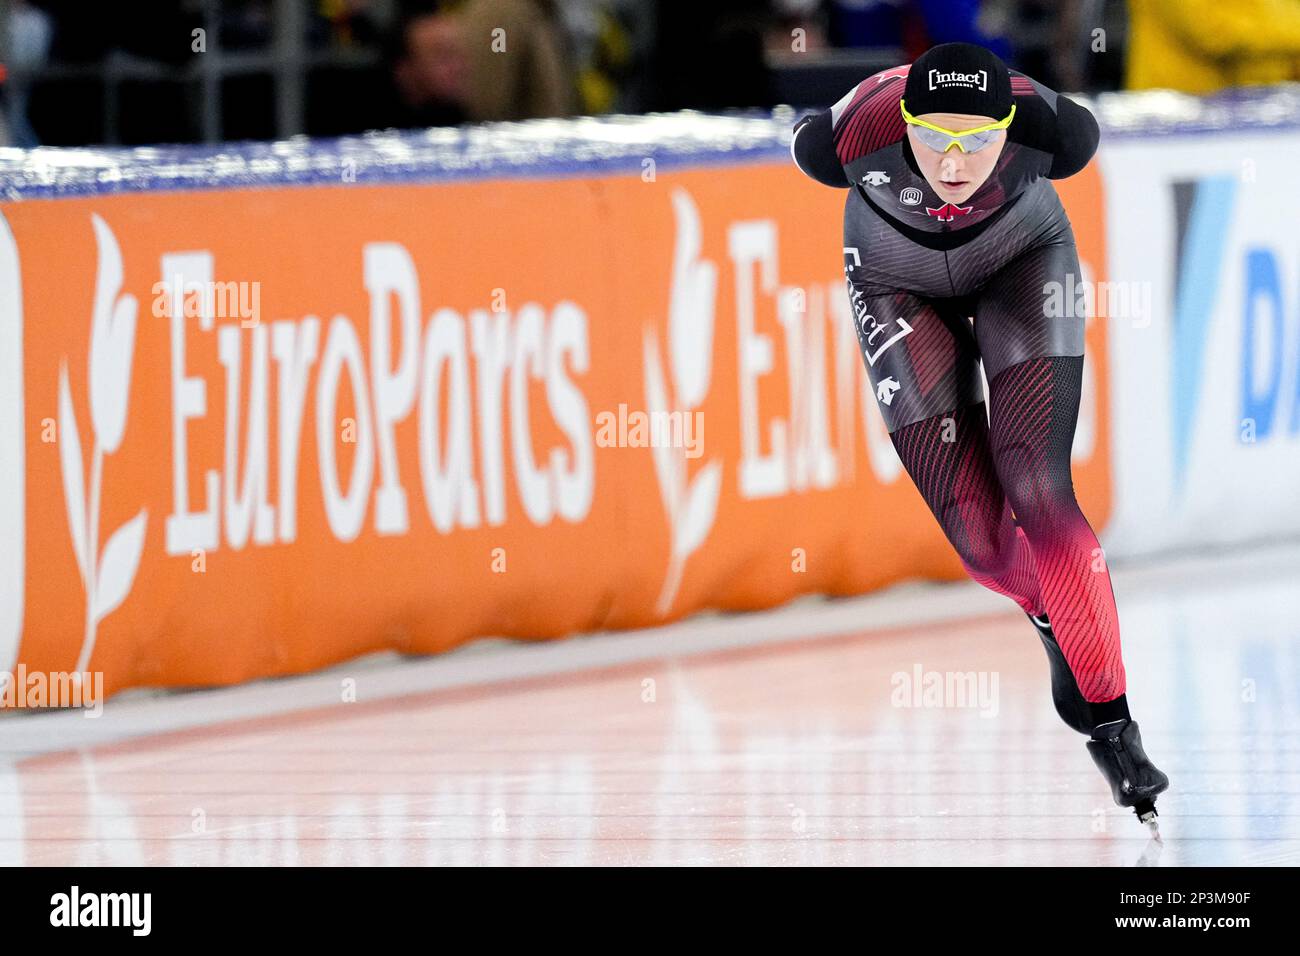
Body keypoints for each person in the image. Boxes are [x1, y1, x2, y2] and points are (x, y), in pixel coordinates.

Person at [791, 42, 1169, 831]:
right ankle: (1048, 610)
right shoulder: (847, 135)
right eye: (932, 138)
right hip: (894, 282)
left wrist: (1110, 715)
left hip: (1022, 261)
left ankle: (1113, 725)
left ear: (1010, 127)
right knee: (980, 540)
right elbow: (805, 132)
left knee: (1037, 485)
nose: (954, 163)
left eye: (977, 140)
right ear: (902, 123)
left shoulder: (1056, 131)